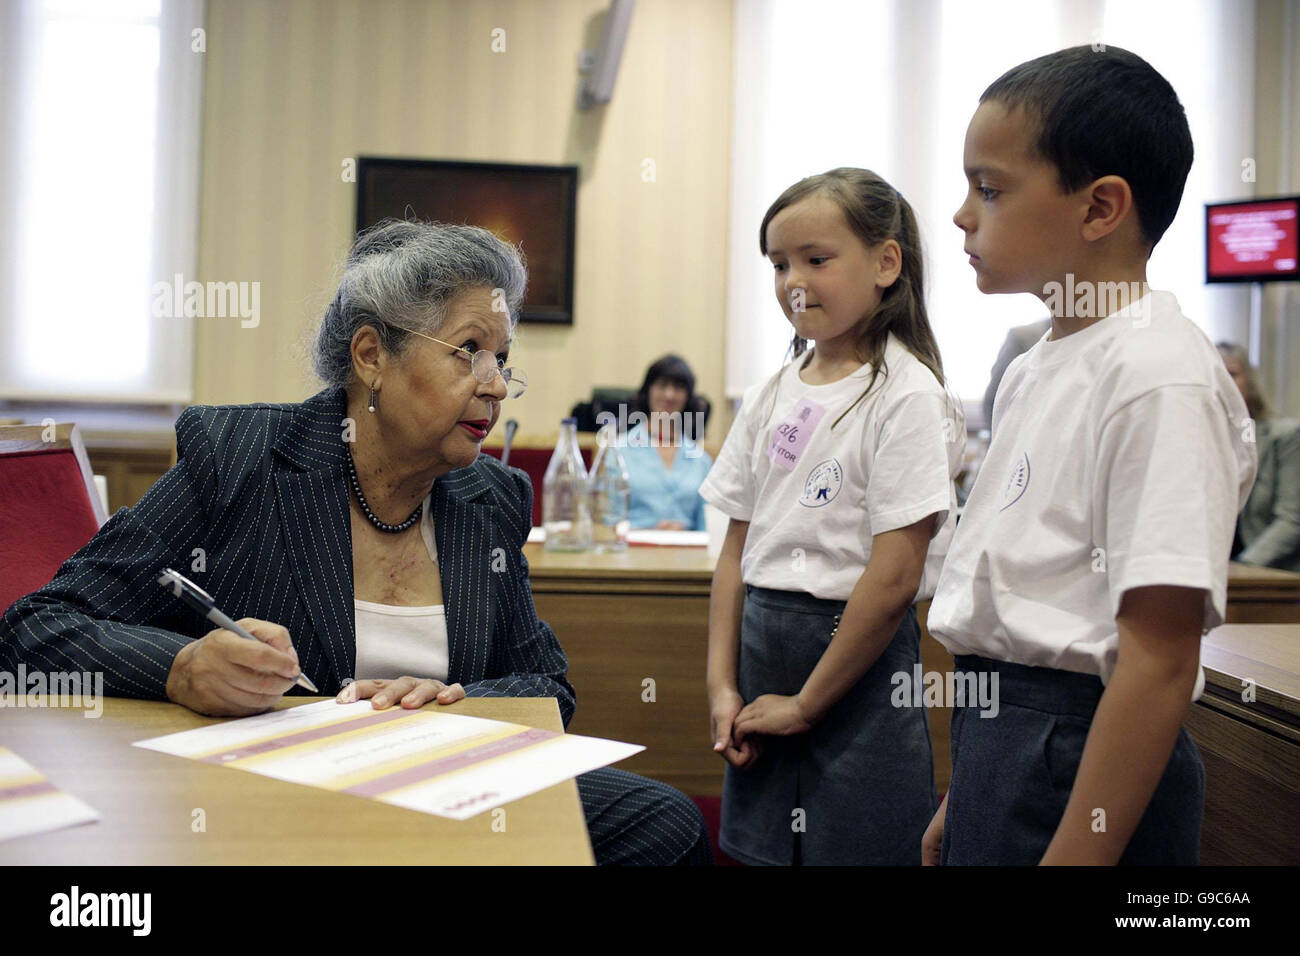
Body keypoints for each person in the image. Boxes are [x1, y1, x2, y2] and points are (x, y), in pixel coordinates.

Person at [0, 219, 711, 866]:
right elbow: (36, 627)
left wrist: (450, 701)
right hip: (269, 800)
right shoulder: (241, 456)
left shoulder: (488, 500)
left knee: (667, 824)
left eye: (503, 358)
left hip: (442, 788)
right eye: (469, 352)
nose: (496, 386)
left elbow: (546, 684)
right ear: (371, 354)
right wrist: (180, 665)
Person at [924, 47, 1257, 866]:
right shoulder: (1036, 366)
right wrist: (964, 798)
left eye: (991, 189)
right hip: (1002, 735)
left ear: (1102, 206)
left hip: (1078, 749)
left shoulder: (1158, 375)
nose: (964, 215)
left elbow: (1159, 658)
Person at [701, 168, 965, 865]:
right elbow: (735, 552)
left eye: (817, 260)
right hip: (765, 644)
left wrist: (808, 704)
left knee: (859, 848)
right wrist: (723, 685)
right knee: (763, 853)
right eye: (779, 263)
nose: (794, 280)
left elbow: (895, 572)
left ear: (885, 262)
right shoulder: (771, 393)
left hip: (856, 661)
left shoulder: (906, 394)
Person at [1218, 342, 1300, 572]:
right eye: (1216, 376)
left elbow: (1292, 520)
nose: (1223, 384)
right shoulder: (1197, 441)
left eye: (1231, 375)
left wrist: (1243, 568)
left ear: (1250, 383)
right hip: (1211, 574)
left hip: (1270, 577)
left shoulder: (1284, 437)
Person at [622, 354, 713, 531]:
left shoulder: (702, 460)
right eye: (662, 385)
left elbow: (707, 527)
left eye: (678, 387)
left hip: (689, 555)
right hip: (634, 553)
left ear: (688, 397)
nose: (669, 394)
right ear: (647, 391)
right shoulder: (619, 451)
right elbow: (607, 524)